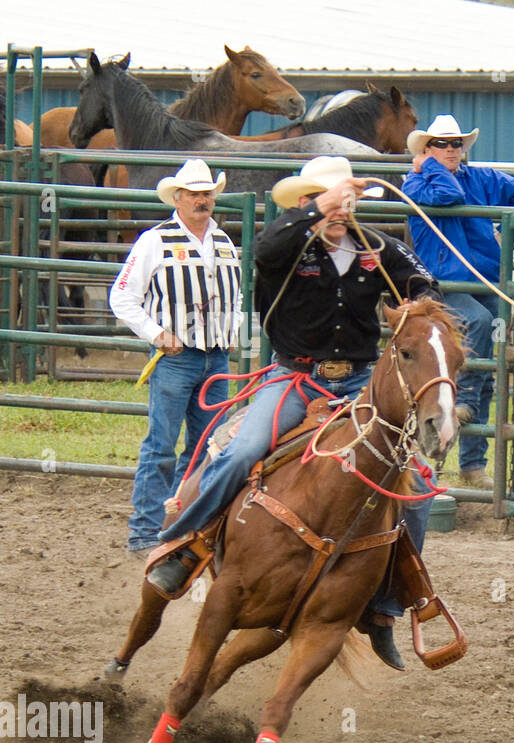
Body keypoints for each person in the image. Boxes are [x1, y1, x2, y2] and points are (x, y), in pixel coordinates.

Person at [148, 156, 442, 670]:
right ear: (308, 202)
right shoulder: (288, 245)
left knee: (413, 489)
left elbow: (423, 285)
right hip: (294, 377)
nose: (335, 210)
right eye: (324, 201)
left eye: (342, 201)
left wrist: (416, 307)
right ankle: (186, 546)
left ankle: (384, 610)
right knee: (242, 452)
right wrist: (315, 213)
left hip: (358, 382)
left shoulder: (380, 250)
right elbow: (265, 250)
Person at [401, 114, 514, 490]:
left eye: (456, 143)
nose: (451, 150)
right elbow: (449, 197)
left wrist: (501, 222)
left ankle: (472, 460)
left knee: (490, 356)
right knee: (478, 324)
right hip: (443, 286)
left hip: (483, 280)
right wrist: (430, 168)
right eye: (442, 144)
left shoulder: (482, 178)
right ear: (427, 150)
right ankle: (461, 421)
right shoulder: (417, 181)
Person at [111, 159, 241, 556]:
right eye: (195, 194)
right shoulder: (155, 240)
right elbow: (122, 297)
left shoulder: (222, 241)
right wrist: (156, 334)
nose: (203, 200)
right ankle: (146, 532)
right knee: (162, 446)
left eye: (207, 193)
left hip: (214, 358)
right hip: (175, 358)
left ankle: (181, 525)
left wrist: (231, 331)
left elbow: (235, 296)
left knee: (206, 448)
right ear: (178, 198)